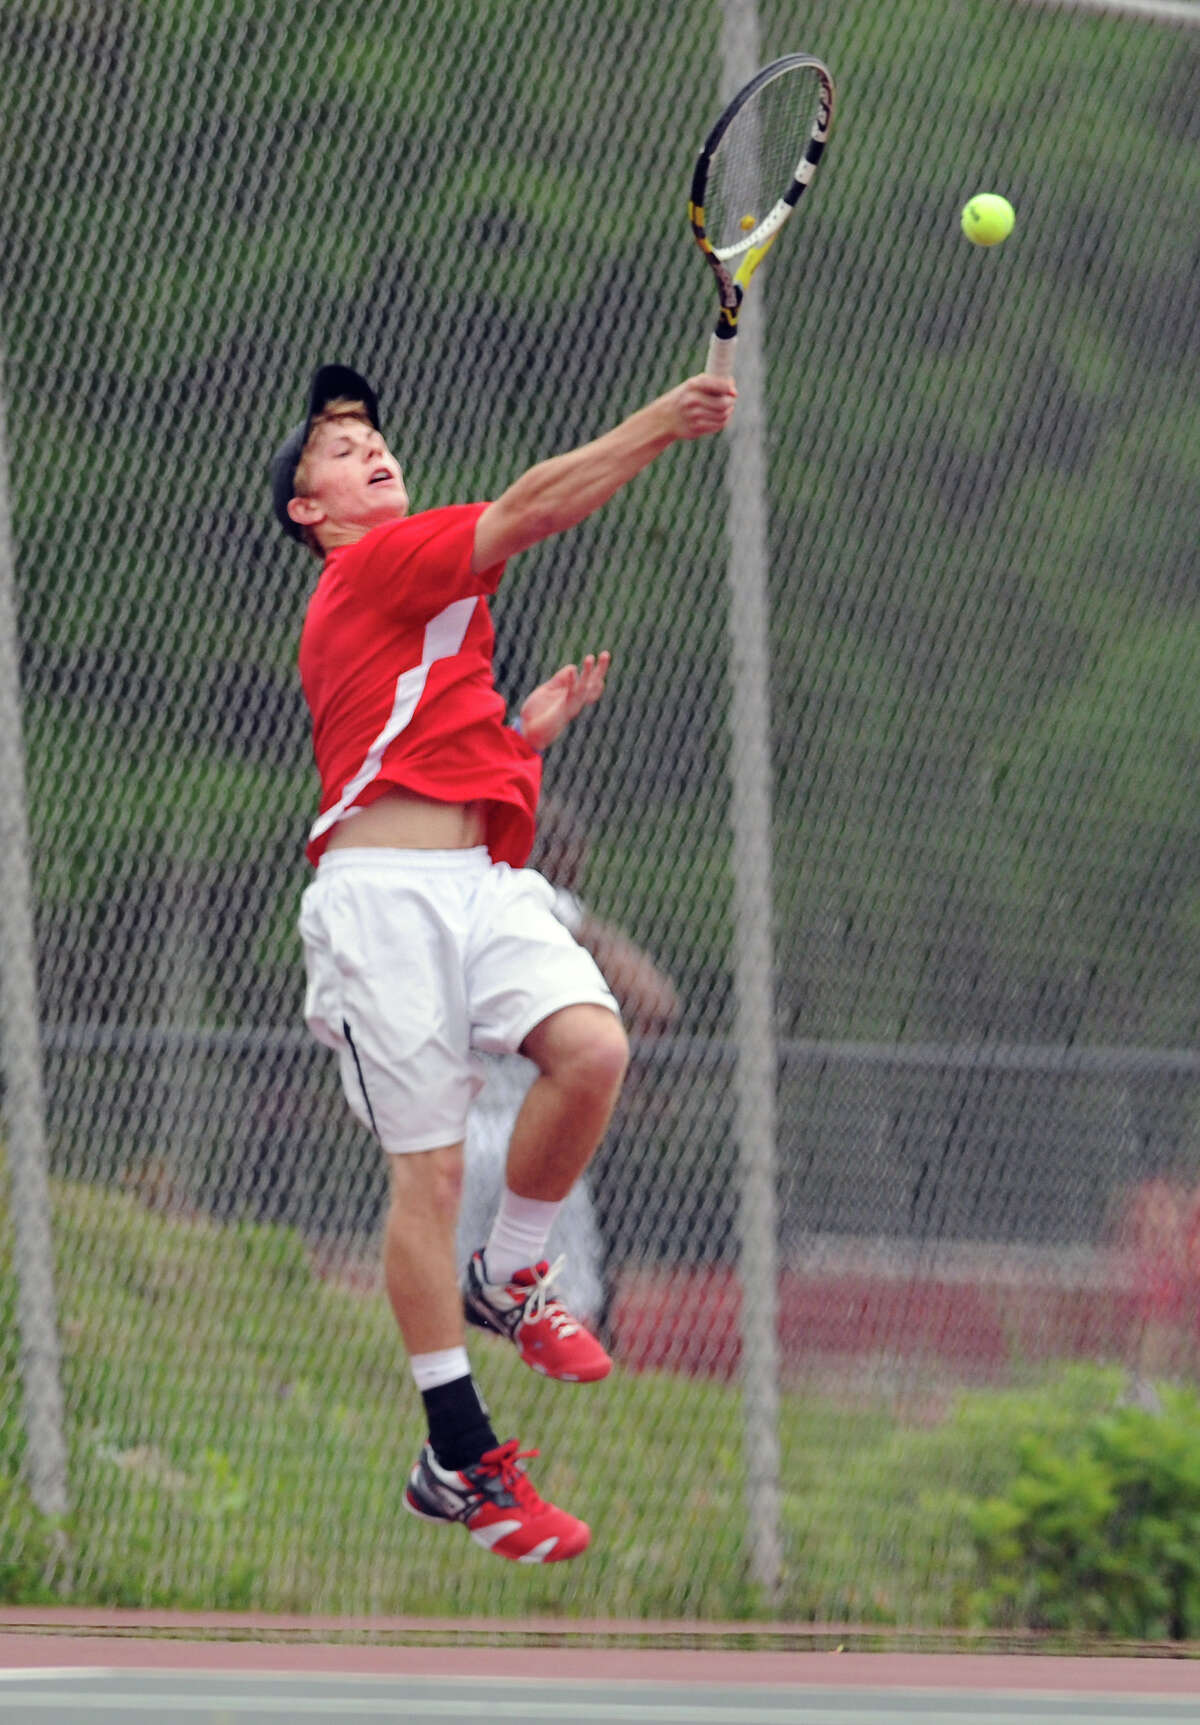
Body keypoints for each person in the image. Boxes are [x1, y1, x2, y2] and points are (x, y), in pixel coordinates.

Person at [270, 360, 734, 1564]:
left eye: (374, 432)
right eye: (336, 447)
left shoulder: (425, 608)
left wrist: (517, 736)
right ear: (307, 512)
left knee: (593, 1048)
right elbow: (535, 503)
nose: (369, 448)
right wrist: (661, 424)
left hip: (479, 886)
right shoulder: (370, 563)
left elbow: (423, 750)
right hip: (381, 912)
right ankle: (458, 1456)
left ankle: (512, 1271)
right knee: (422, 1179)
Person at [456, 797, 680, 1331]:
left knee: (451, 1304)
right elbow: (656, 1003)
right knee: (566, 1305)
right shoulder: (553, 912)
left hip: (456, 1132)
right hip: (539, 1130)